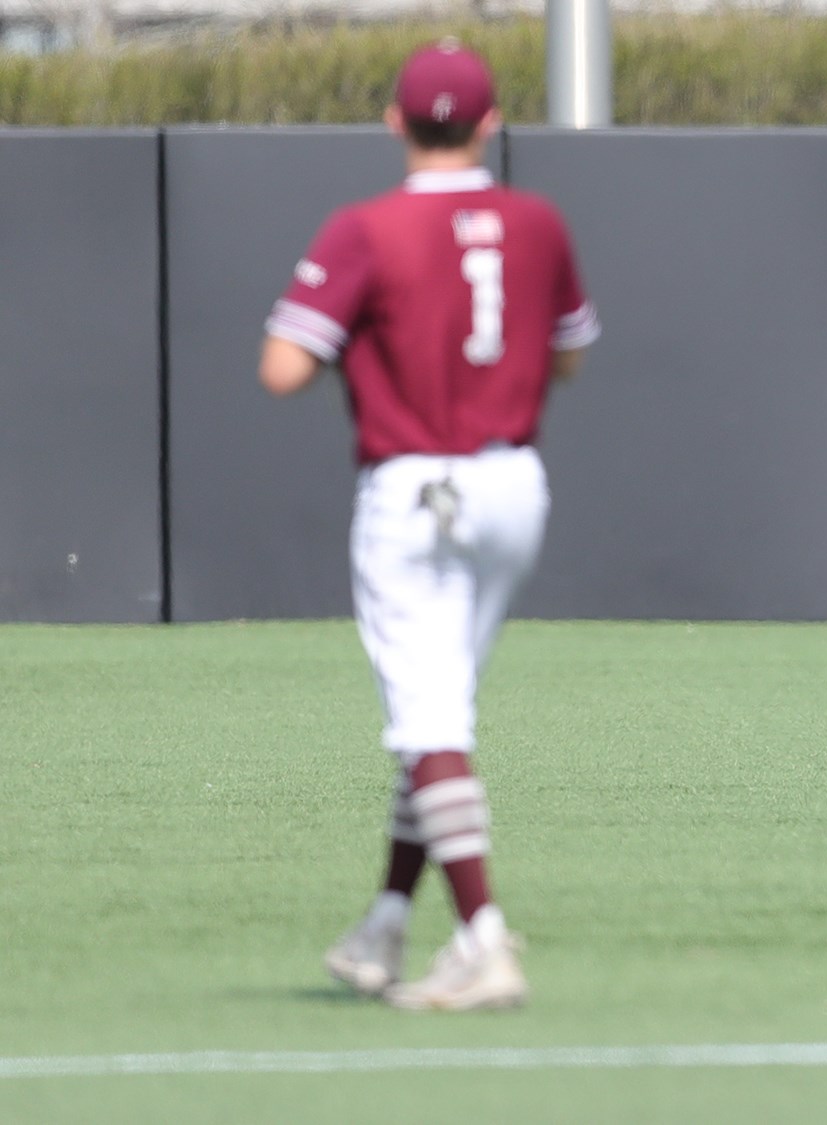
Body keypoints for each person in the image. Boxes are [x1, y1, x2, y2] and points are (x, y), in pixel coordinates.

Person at [258, 39, 600, 1011]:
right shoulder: (535, 222)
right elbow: (570, 357)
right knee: (437, 717)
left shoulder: (365, 228)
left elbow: (283, 369)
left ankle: (484, 939)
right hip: (510, 487)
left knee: (430, 721)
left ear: (394, 124)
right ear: (491, 124)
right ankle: (385, 928)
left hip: (412, 487)